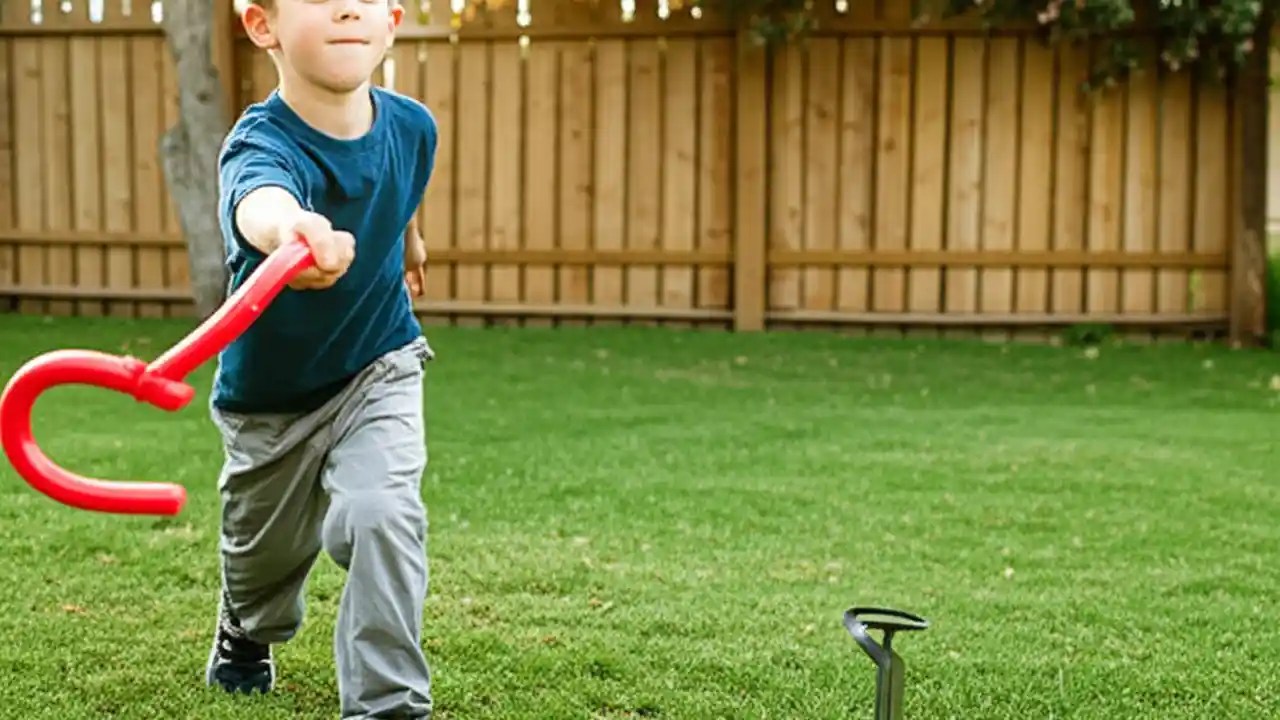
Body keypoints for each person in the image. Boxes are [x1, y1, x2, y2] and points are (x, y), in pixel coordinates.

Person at [204, 0, 437, 717]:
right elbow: (259, 202)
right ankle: (246, 630)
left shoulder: (413, 125)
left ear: (392, 18)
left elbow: (402, 188)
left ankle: (387, 705)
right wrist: (292, 229)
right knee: (261, 569)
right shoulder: (260, 145)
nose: (347, 8)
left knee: (381, 512)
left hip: (379, 365)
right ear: (262, 25)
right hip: (271, 395)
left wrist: (410, 241)